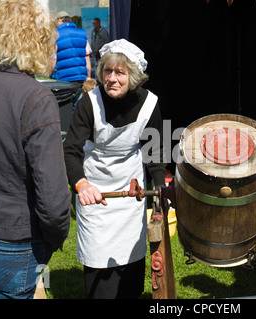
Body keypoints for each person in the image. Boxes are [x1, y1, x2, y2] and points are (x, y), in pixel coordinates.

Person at [0, 0, 71, 299]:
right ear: (35, 40)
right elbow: (53, 203)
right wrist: (51, 241)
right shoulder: (36, 98)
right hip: (13, 242)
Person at [63, 39, 166, 299]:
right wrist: (80, 183)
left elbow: (154, 152)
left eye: (119, 72)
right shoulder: (89, 102)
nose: (111, 78)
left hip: (131, 192)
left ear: (133, 76)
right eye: (107, 71)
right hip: (95, 192)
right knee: (99, 265)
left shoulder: (149, 103)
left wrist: (161, 187)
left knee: (131, 263)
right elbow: (70, 150)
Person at [51, 11, 91, 82]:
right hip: (81, 77)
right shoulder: (82, 33)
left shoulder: (55, 35)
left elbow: (53, 60)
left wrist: (50, 74)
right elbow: (87, 58)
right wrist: (89, 77)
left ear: (60, 21)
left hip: (62, 78)